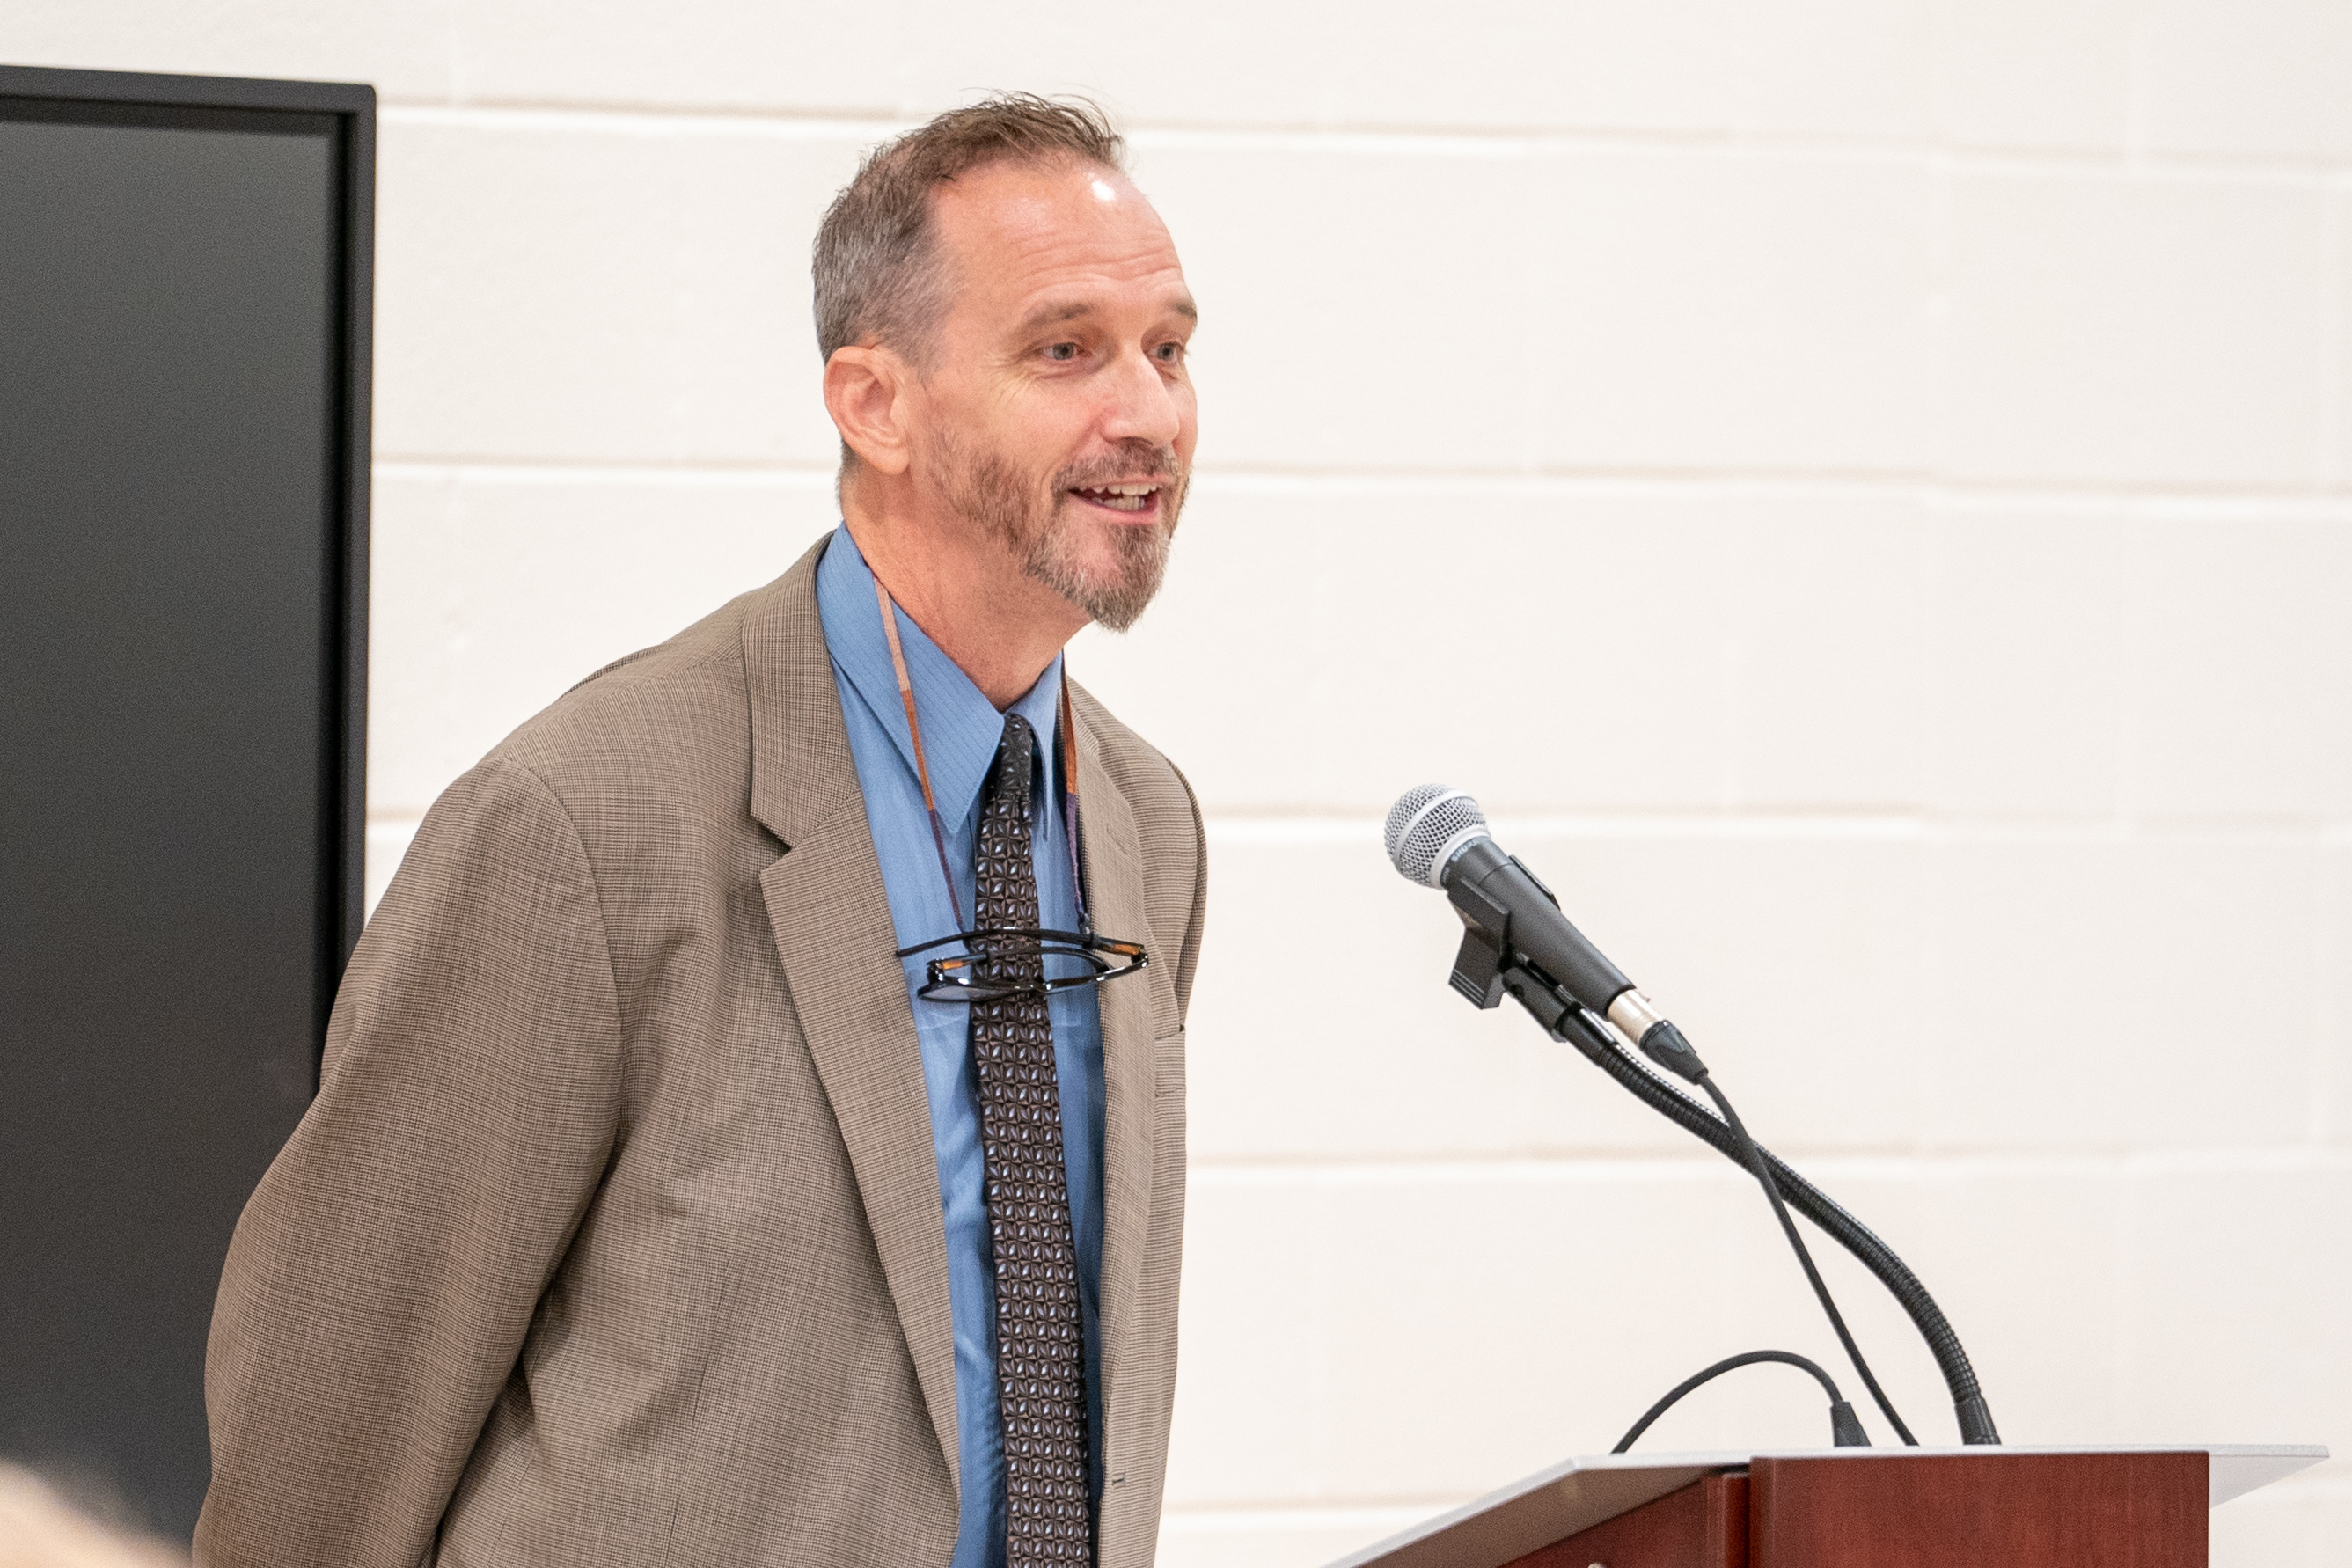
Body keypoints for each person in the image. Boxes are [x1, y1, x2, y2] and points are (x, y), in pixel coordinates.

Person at [196, 95, 1205, 1568]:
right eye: (1065, 350)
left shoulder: (1144, 827)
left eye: (1168, 350)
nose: (1149, 415)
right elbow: (326, 1425)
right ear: (874, 402)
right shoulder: (583, 821)